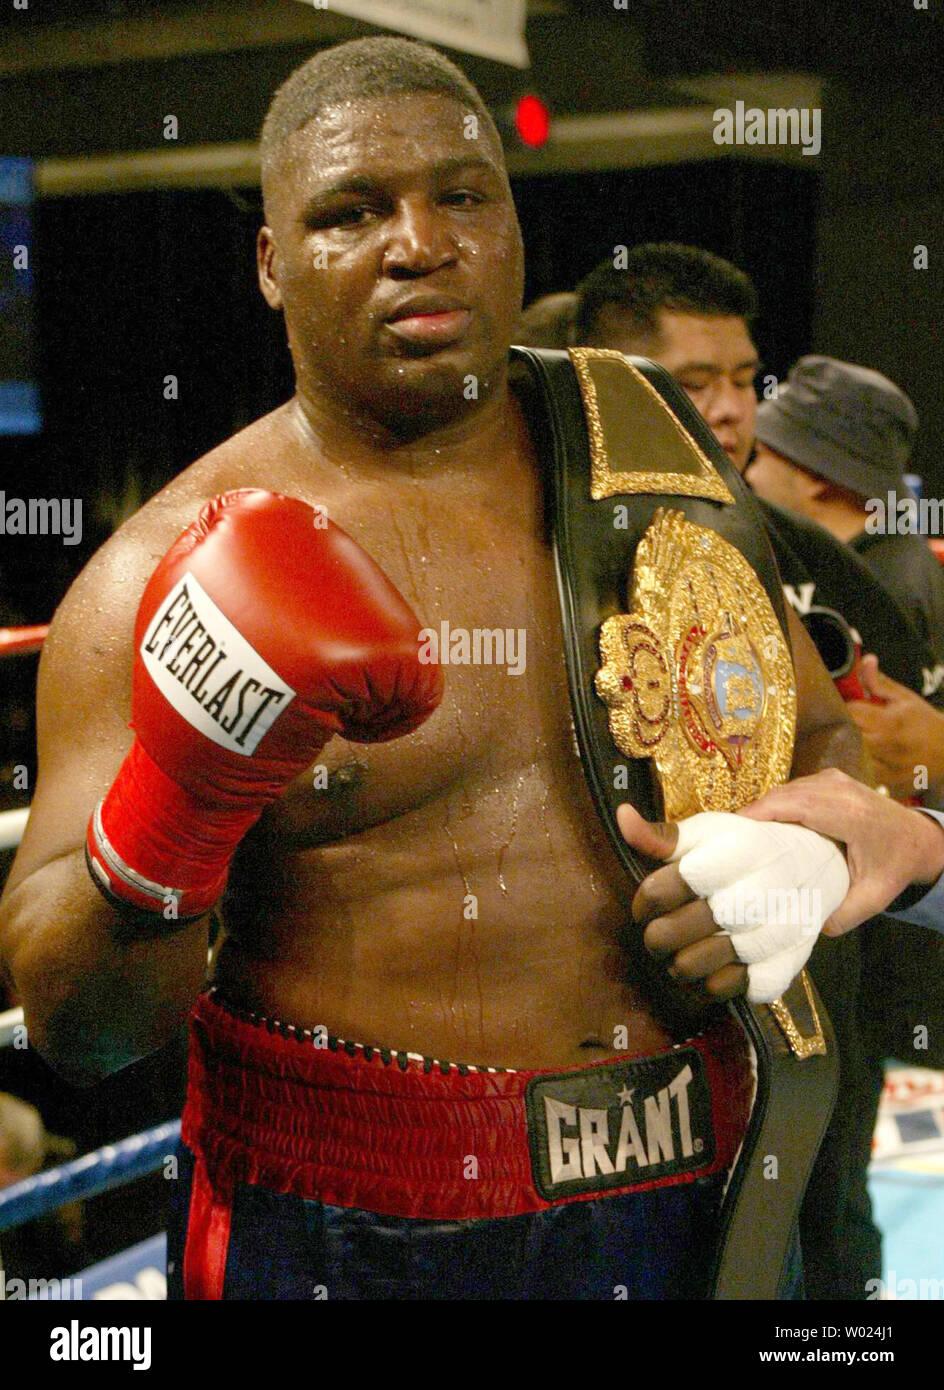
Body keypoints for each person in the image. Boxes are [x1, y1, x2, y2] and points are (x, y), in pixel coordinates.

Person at [0, 39, 862, 1301]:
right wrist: (180, 798)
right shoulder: (156, 580)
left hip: (698, 1173)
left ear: (511, 221)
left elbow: (826, 741)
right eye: (350, 213)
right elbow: (77, 1027)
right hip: (349, 1218)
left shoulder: (637, 447)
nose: (418, 242)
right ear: (269, 264)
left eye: (462, 195)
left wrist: (799, 858)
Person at [561, 241, 944, 1298]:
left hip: (813, 953)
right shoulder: (532, 544)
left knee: (823, 1231)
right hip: (616, 973)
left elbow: (878, 754)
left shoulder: (792, 556)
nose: (728, 409)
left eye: (741, 378)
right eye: (696, 382)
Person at [750, 356, 944, 656]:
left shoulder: (871, 593)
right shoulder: (904, 565)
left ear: (814, 476)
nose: (750, 474)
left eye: (761, 456)